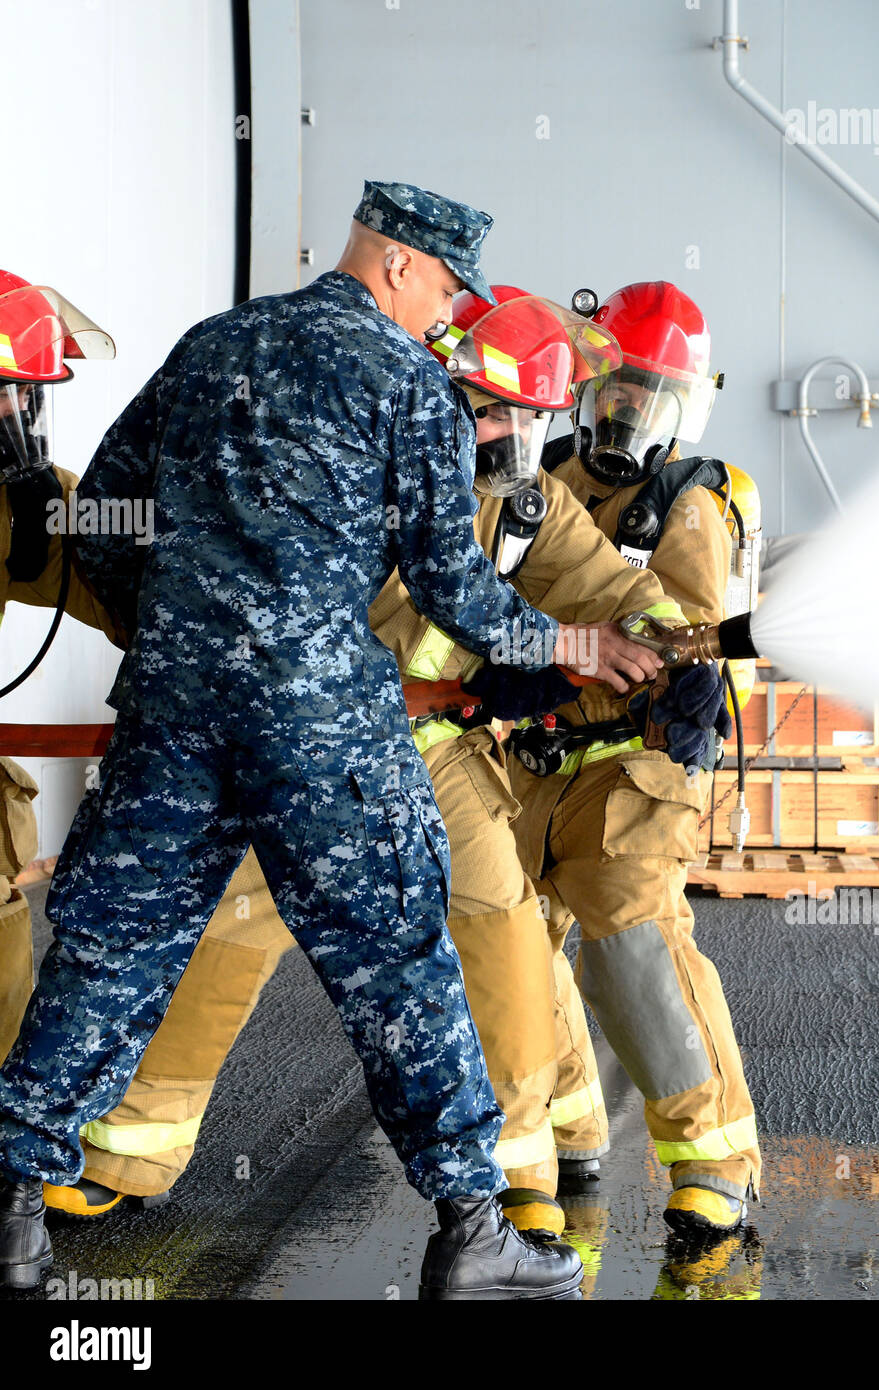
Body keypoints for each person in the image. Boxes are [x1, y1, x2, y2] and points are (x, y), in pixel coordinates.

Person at [0, 182, 662, 1300]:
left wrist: (180, 625)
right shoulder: (406, 381)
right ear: (399, 262)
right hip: (321, 724)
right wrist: (571, 645)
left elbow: (103, 510)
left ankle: (10, 1215)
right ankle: (469, 1232)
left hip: (173, 715)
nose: (449, 312)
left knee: (110, 952)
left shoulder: (214, 345)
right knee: (399, 965)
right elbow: (455, 586)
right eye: (447, 286)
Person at [507, 281, 764, 1238]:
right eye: (617, 390)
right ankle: (570, 1128)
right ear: (585, 383)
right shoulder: (536, 468)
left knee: (632, 946)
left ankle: (713, 1164)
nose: (628, 414)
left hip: (632, 760)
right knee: (508, 944)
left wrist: (579, 644)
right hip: (524, 756)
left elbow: (680, 632)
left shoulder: (687, 498)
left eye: (653, 397)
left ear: (686, 406)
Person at [0, 271, 119, 1067]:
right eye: (1, 394)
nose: (14, 417)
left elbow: (131, 597)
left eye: (23, 397)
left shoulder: (21, 504)